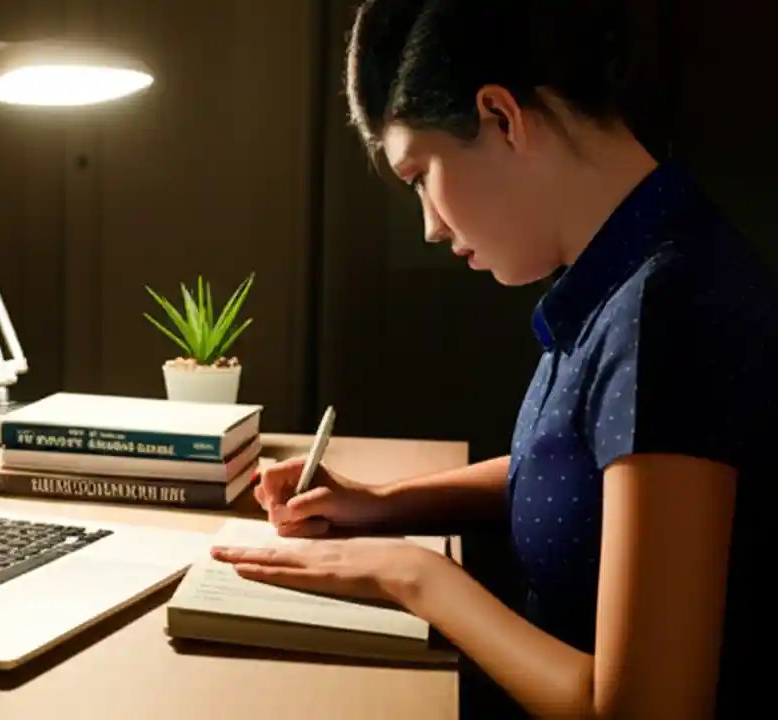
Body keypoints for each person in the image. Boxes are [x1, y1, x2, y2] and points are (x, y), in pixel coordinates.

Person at [210, 1, 775, 717]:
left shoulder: (670, 310)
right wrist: (384, 504)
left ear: (502, 118)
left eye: (420, 175)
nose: (429, 226)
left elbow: (640, 708)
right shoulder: (630, 268)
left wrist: (414, 576)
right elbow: (592, 473)